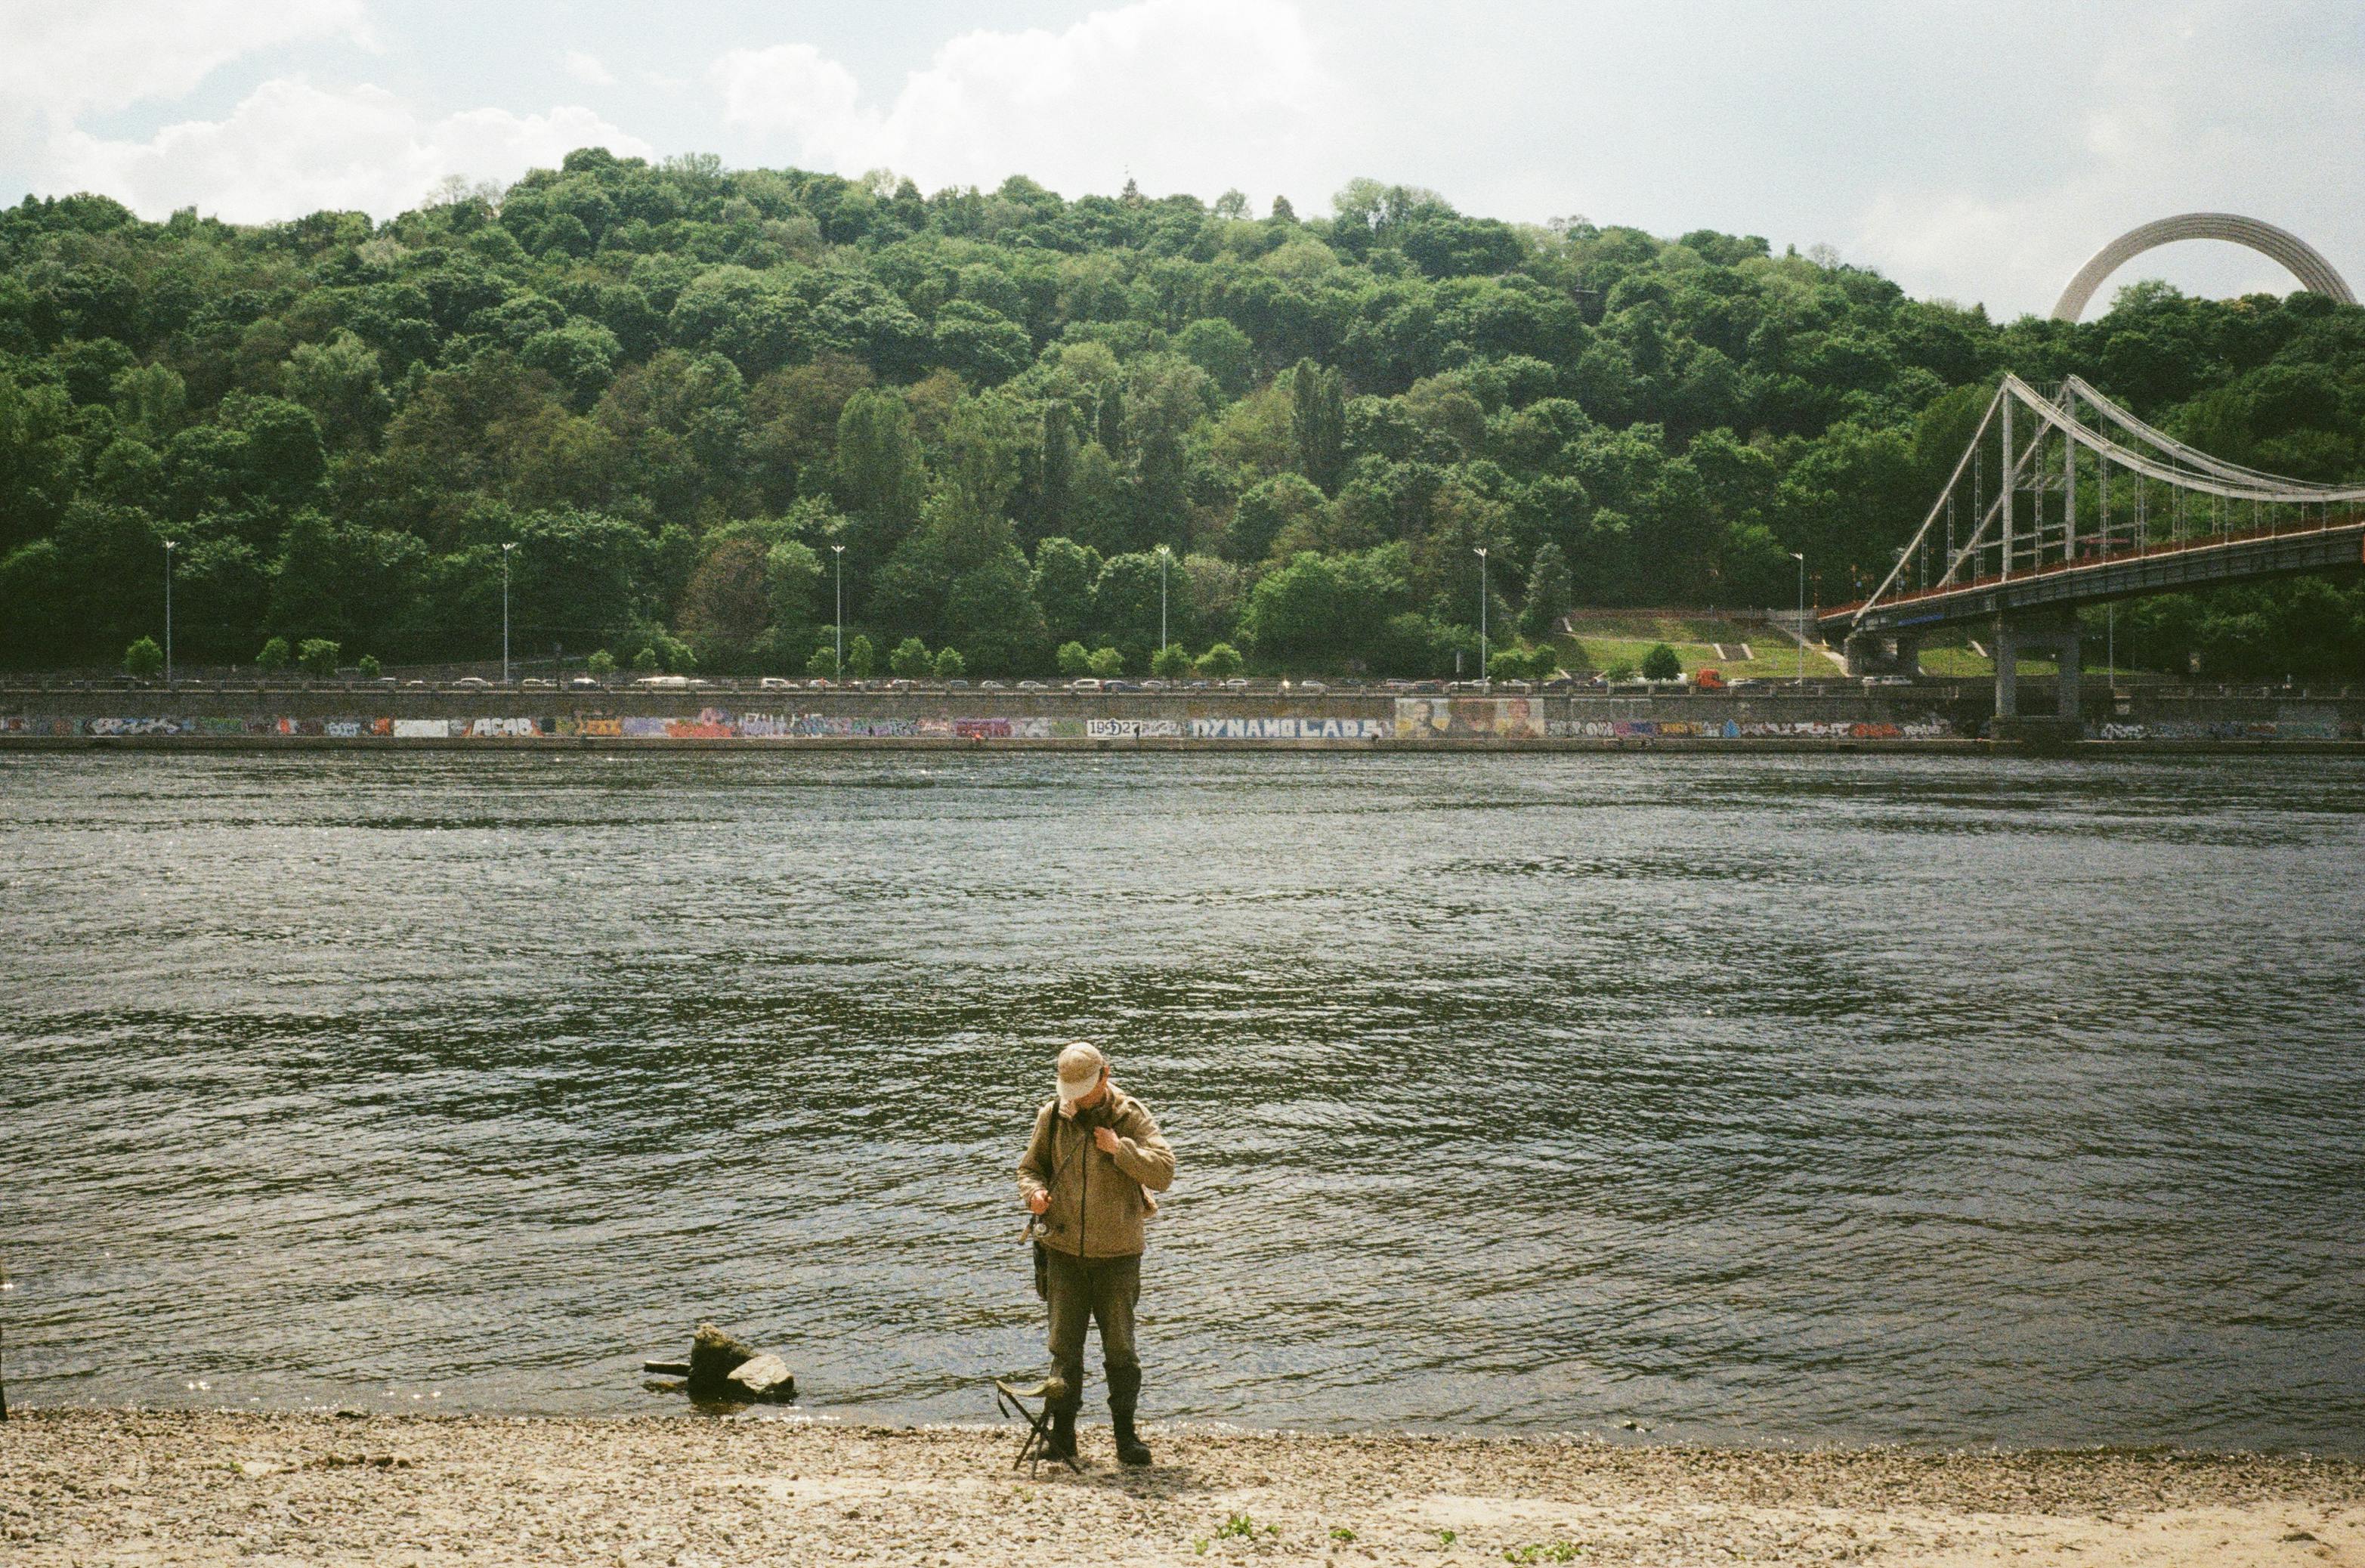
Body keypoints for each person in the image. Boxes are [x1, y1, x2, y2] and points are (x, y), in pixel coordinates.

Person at [1016, 1041, 1176, 1466]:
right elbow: (1029, 1168)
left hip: (1119, 1256)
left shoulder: (1131, 1116)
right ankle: (1063, 1437)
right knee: (1064, 1352)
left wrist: (1118, 1148)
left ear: (1105, 1075)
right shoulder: (1052, 1116)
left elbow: (1164, 1173)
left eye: (1084, 1090)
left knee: (1121, 1350)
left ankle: (1126, 1438)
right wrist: (1034, 1193)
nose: (1076, 1100)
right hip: (1063, 1252)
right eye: (1070, 1091)